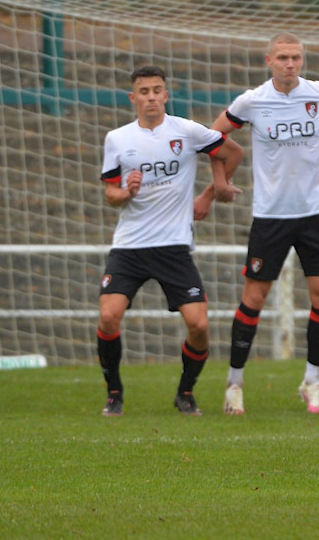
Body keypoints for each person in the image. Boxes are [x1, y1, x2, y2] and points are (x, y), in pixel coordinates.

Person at [195, 32, 319, 416]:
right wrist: (218, 183)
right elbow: (213, 137)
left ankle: (313, 381)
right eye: (283, 57)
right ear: (268, 60)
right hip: (270, 216)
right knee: (254, 299)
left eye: (296, 56)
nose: (290, 64)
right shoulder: (252, 101)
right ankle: (234, 384)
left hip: (314, 213)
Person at [98, 65, 243, 416]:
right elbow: (110, 195)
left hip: (174, 247)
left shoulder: (187, 131)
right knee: (108, 317)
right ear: (133, 98)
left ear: (166, 95)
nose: (151, 97)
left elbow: (232, 153)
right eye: (144, 91)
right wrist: (126, 192)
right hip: (129, 247)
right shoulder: (117, 139)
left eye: (157, 90)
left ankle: (185, 392)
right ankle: (114, 393)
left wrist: (211, 192)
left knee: (199, 325)